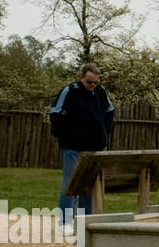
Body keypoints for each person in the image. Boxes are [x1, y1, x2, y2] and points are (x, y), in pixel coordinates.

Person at [48, 64, 115, 231]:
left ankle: (85, 221)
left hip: (95, 147)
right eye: (89, 82)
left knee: (89, 185)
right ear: (81, 78)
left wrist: (105, 131)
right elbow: (55, 113)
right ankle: (65, 222)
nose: (92, 85)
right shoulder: (70, 91)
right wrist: (65, 134)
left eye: (95, 82)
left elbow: (109, 111)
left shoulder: (101, 92)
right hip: (73, 146)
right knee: (71, 182)